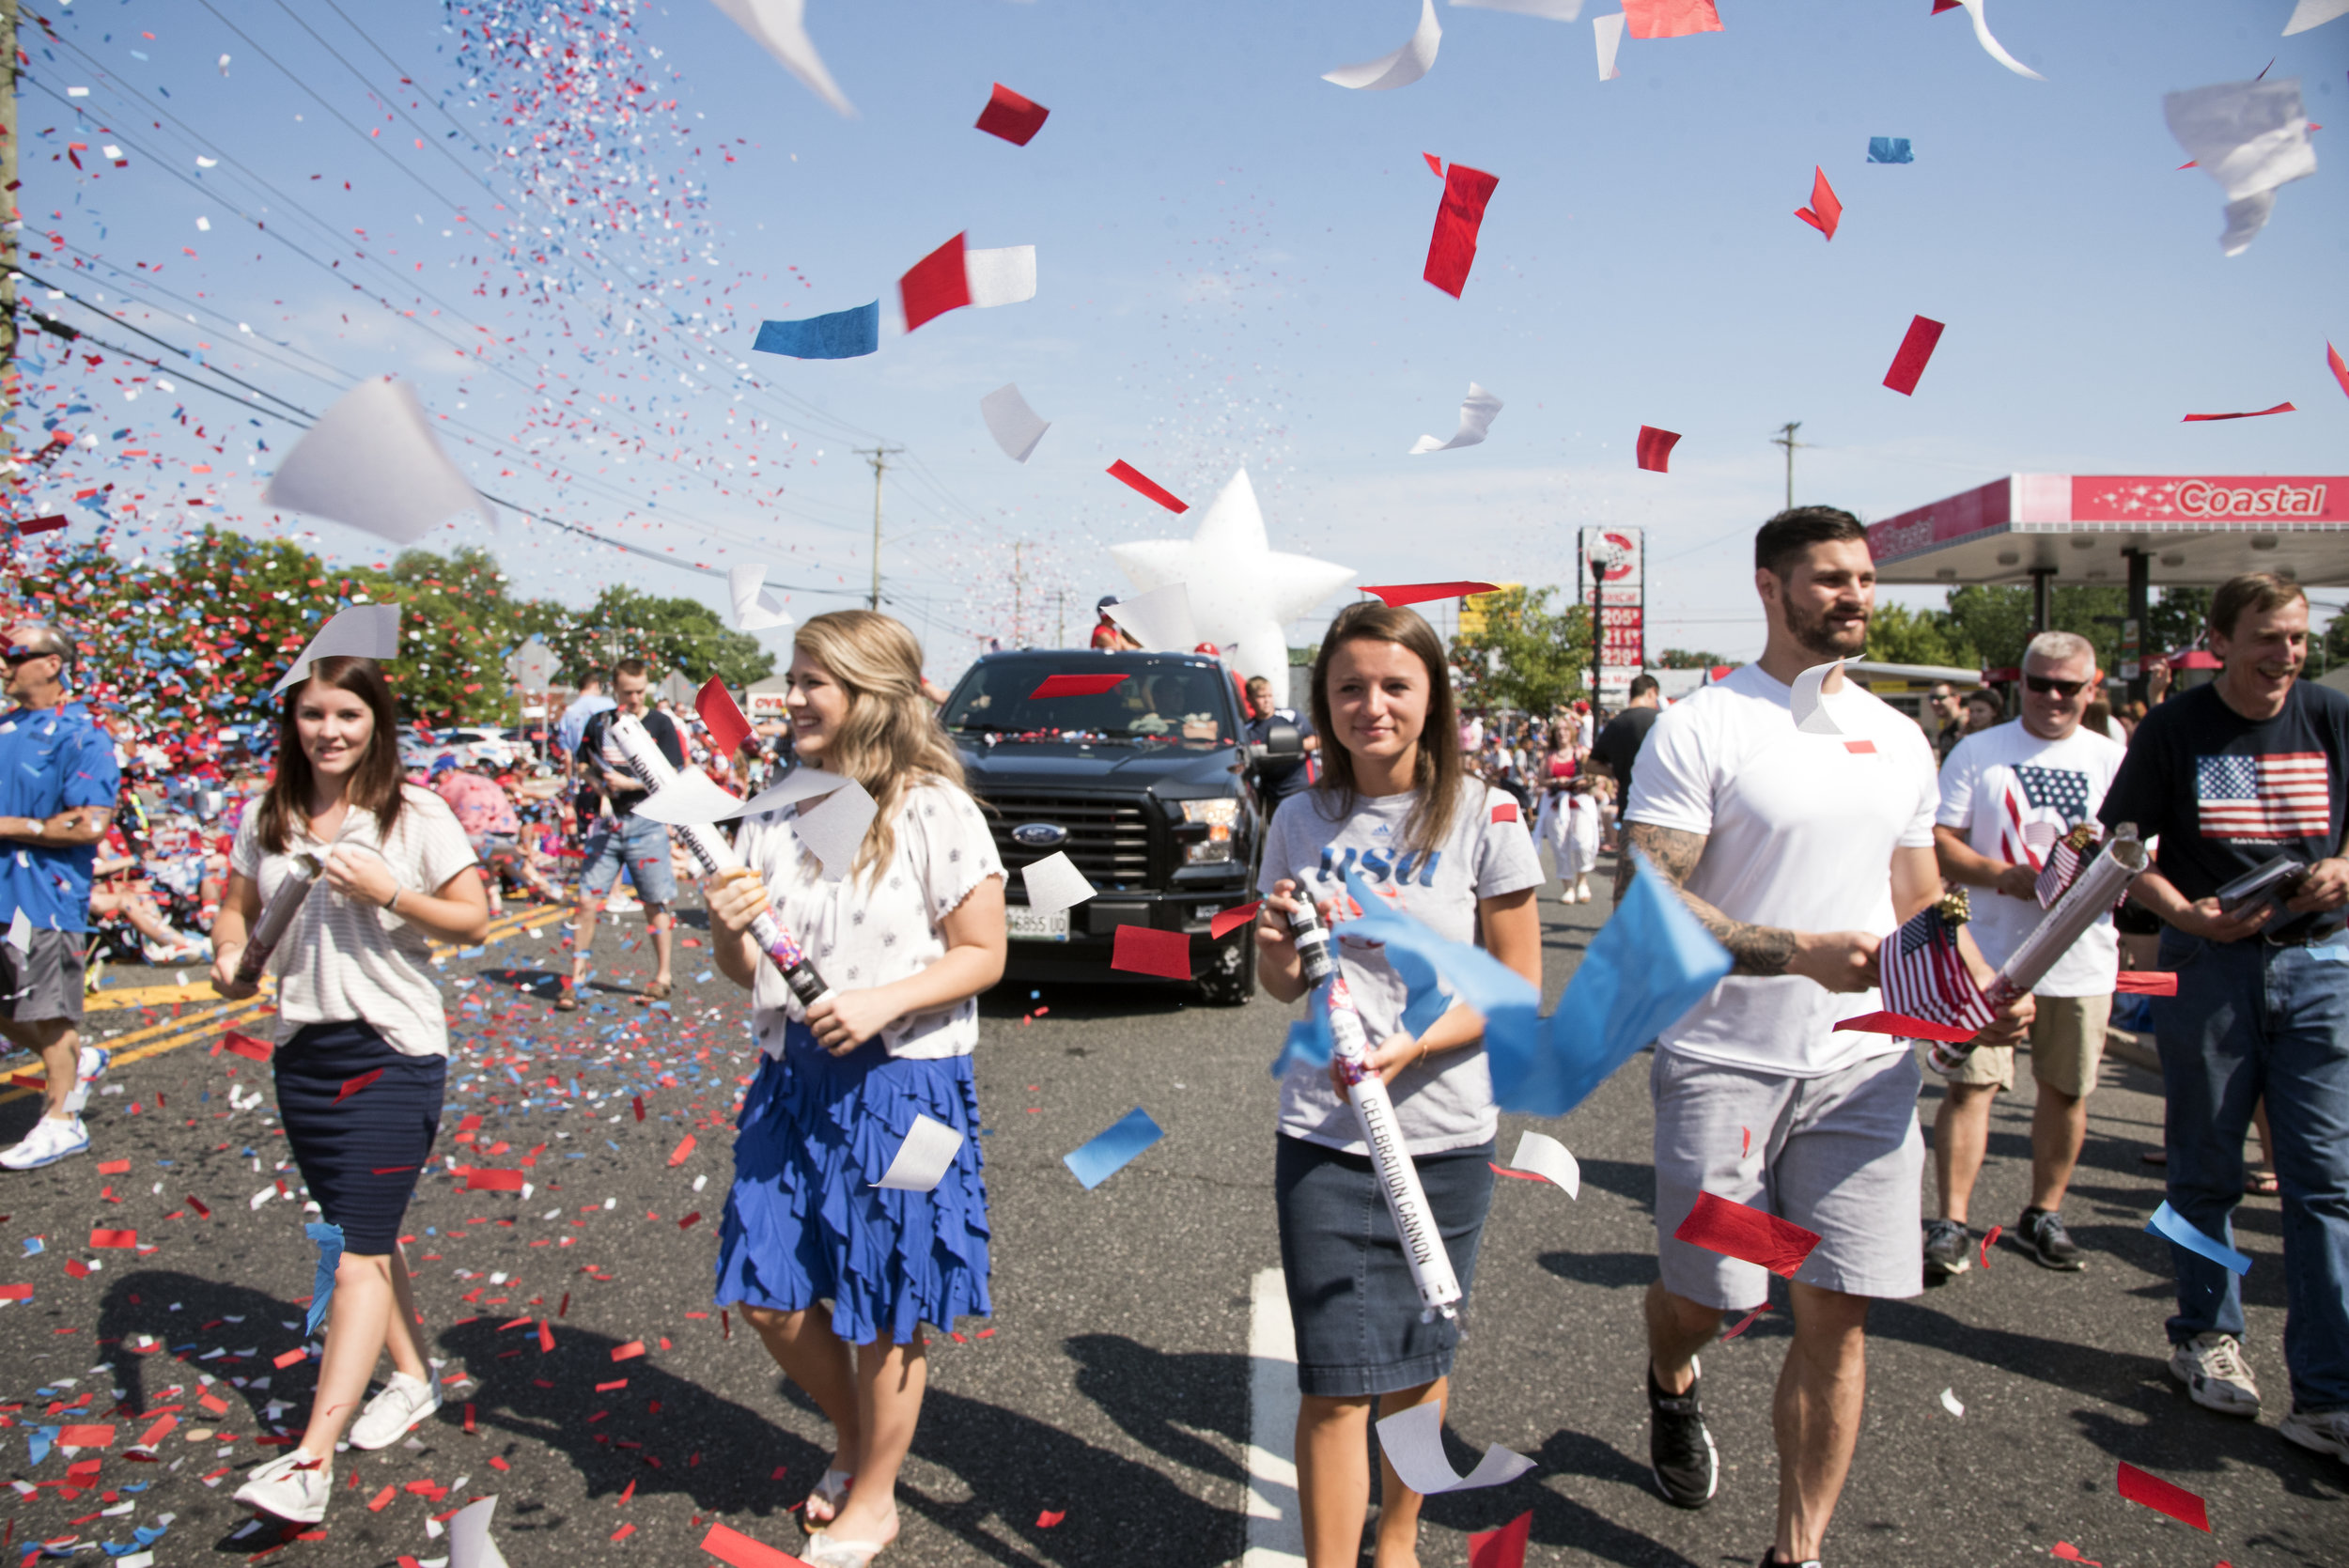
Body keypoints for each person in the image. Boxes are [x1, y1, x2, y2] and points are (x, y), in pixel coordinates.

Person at [1623, 507, 2029, 1567]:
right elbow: (1653, 906)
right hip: (1723, 1067)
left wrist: (1976, 977)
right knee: (1717, 1293)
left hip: (1862, 1072)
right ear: (1771, 586)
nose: (1854, 595)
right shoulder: (1705, 724)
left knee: (1834, 1306)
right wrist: (1793, 950)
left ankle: (1794, 1552)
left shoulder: (1897, 736)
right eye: (1830, 579)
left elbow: (1918, 893)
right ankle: (1672, 1373)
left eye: (1863, 578)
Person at [702, 610, 1006, 1568]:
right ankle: (856, 1439)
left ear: (870, 695)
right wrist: (724, 921)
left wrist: (882, 1003)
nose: (789, 698)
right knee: (768, 1290)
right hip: (793, 1078)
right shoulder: (774, 805)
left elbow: (982, 953)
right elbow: (736, 962)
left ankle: (875, 1493)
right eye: (790, 678)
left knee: (887, 1295)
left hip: (911, 1093)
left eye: (811, 681)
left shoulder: (933, 807)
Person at [1252, 601, 1543, 1568]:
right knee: (1333, 1378)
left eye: (1393, 685)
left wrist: (1414, 1047)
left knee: (1419, 1365)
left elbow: (1513, 984)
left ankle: (1399, 1533)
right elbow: (1282, 980)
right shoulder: (1298, 815)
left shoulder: (1487, 812)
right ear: (1322, 702)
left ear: (1432, 697)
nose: (1370, 705)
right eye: (1347, 687)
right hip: (1325, 1135)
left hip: (1446, 1131)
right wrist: (1277, 951)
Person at [212, 655, 489, 1523]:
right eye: (312, 714)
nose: (329, 731)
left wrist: (391, 889)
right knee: (358, 1229)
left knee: (358, 1249)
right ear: (291, 721)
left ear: (377, 724)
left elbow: (474, 915)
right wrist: (229, 959)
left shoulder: (414, 812)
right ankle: (412, 1377)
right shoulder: (271, 813)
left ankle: (309, 1460)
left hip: (393, 1049)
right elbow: (232, 902)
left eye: (348, 715)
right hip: (302, 1050)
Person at [2100, 572, 2349, 1461]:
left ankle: (2328, 1391)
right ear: (2221, 640)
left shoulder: (2330, 713)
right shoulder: (2177, 728)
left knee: (2325, 1184)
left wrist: (2344, 867)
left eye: (2296, 636)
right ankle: (2204, 1334)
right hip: (2210, 967)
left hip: (2322, 966)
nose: (2286, 653)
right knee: (2205, 1169)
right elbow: (2120, 846)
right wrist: (2187, 916)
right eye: (2268, 637)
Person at [1925, 631, 2125, 1276]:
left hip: (2083, 952)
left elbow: (2137, 848)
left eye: (2070, 686)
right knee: (1970, 1085)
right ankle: (1952, 1220)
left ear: (2093, 689)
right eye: (2040, 683)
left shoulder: (2114, 757)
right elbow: (1938, 843)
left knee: (2065, 1090)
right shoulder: (1980, 751)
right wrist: (2000, 873)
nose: (2054, 697)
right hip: (1990, 952)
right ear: (2021, 684)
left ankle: (2044, 1211)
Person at [0, 623, 122, 1171]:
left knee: (47, 1012)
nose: (2, 665)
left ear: (51, 664)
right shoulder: (3, 727)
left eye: (12, 654)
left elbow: (90, 822)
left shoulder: (82, 735)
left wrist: (8, 825)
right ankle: (79, 1060)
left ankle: (63, 1120)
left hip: (38, 901)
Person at [559, 660, 682, 1010]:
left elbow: (671, 774)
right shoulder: (600, 722)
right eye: (627, 692)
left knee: (654, 900)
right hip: (607, 823)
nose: (634, 697)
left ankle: (662, 977)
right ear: (614, 689)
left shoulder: (660, 723)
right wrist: (597, 784)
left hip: (647, 821)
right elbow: (582, 761)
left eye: (641, 691)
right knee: (586, 900)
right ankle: (577, 978)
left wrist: (629, 783)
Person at [1244, 675, 1320, 806]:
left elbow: (1317, 740)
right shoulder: (1247, 730)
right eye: (1261, 697)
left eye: (1269, 696)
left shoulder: (1291, 716)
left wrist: (1288, 745)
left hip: (1303, 788)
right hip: (1273, 796)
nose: (1267, 700)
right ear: (1250, 699)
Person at [1926, 682, 1966, 765]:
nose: (1934, 702)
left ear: (1956, 698)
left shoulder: (1965, 725)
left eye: (1940, 697)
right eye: (1931, 698)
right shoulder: (1944, 733)